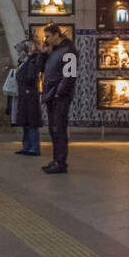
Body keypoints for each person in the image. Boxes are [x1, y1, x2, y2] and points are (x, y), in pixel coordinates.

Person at [40, 23, 77, 174]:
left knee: (59, 129)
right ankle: (56, 160)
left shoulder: (69, 51)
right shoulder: (54, 51)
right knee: (53, 129)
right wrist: (43, 53)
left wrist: (58, 93)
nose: (46, 39)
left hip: (59, 97)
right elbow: (41, 69)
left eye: (48, 36)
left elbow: (69, 76)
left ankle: (61, 163)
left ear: (57, 34)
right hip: (51, 95)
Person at [11, 40, 43, 155]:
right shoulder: (24, 62)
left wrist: (19, 75)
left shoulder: (32, 61)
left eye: (20, 51)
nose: (19, 54)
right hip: (24, 95)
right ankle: (26, 146)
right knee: (25, 122)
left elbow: (29, 77)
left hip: (30, 96)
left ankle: (34, 148)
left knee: (31, 122)